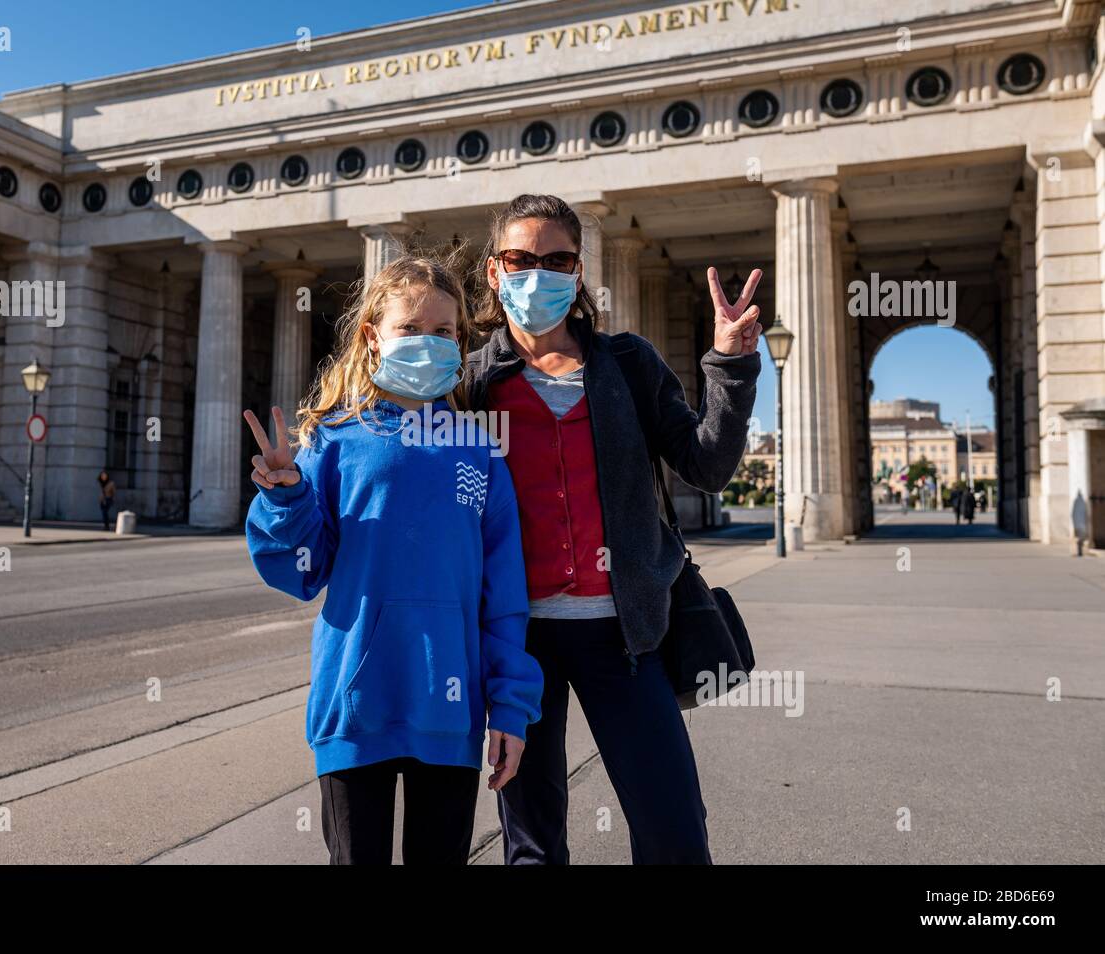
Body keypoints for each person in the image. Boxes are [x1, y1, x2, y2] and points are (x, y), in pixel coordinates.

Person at [465, 193, 762, 864]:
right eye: (520, 258)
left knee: (674, 830)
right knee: (533, 842)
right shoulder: (474, 382)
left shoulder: (626, 363)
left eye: (557, 258)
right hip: (518, 641)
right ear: (493, 271)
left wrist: (730, 366)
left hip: (623, 633)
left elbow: (705, 465)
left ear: (578, 271)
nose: (537, 273)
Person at [244, 256, 545, 865]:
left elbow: (505, 598)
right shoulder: (333, 438)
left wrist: (510, 707)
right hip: (355, 708)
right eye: (410, 328)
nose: (427, 342)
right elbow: (300, 572)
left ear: (460, 343)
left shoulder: (480, 450)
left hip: (450, 709)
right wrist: (285, 498)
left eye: (443, 332)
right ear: (372, 335)